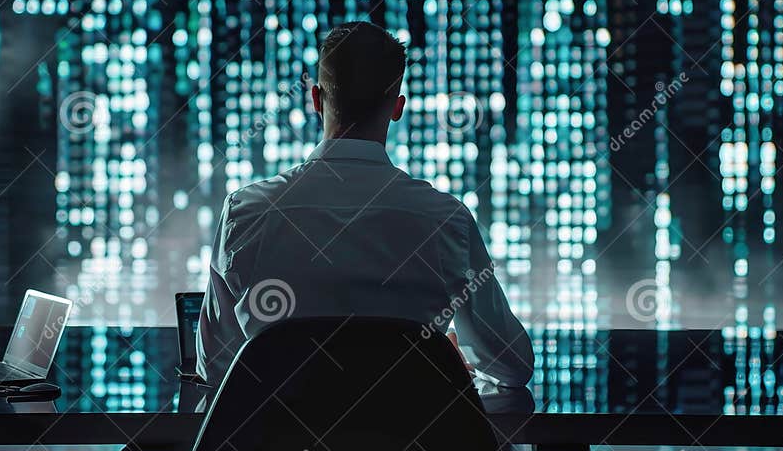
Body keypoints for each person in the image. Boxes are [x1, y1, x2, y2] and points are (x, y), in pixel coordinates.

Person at [196, 21, 534, 389]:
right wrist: (446, 356)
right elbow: (512, 369)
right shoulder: (446, 220)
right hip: (410, 444)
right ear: (397, 108)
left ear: (315, 100)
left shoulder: (245, 213)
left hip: (274, 443)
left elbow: (215, 372)